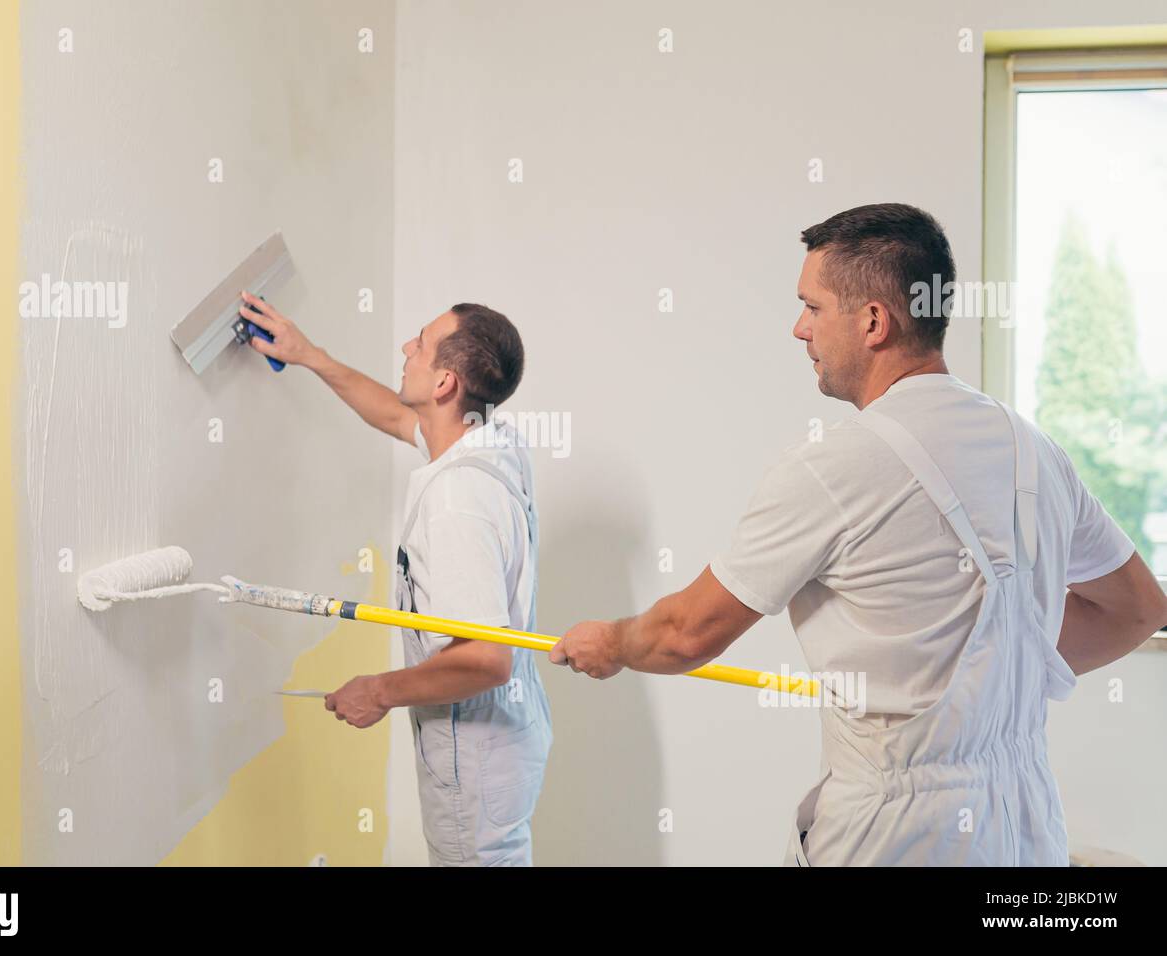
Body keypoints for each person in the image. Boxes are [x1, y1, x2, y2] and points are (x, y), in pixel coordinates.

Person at [550, 203, 1167, 866]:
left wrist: (610, 641)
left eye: (811, 307)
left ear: (873, 320)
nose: (798, 329)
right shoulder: (1034, 450)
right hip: (1023, 824)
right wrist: (995, 681)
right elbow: (1139, 609)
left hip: (900, 835)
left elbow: (685, 633)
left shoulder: (833, 467)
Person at [239, 293, 553, 866]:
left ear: (444, 385)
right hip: (504, 745)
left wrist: (378, 691)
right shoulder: (488, 439)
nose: (406, 347)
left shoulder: (458, 499)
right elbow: (394, 414)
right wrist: (309, 354)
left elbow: (487, 658)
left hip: (475, 759)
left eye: (422, 343)